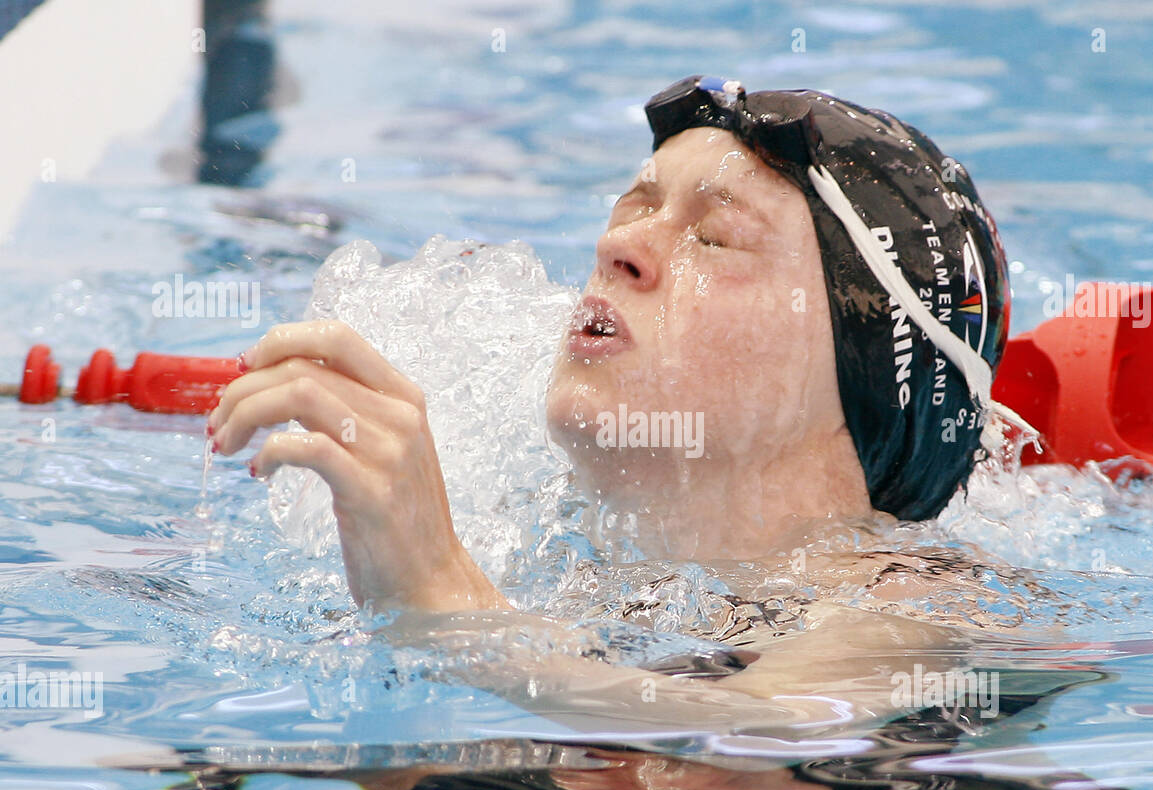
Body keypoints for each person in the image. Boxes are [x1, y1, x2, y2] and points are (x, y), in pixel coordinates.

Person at [205, 76, 1017, 622]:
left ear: (863, 376)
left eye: (715, 238)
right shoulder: (563, 584)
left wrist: (439, 592)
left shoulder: (911, 608)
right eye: (636, 206)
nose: (621, 245)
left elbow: (767, 733)